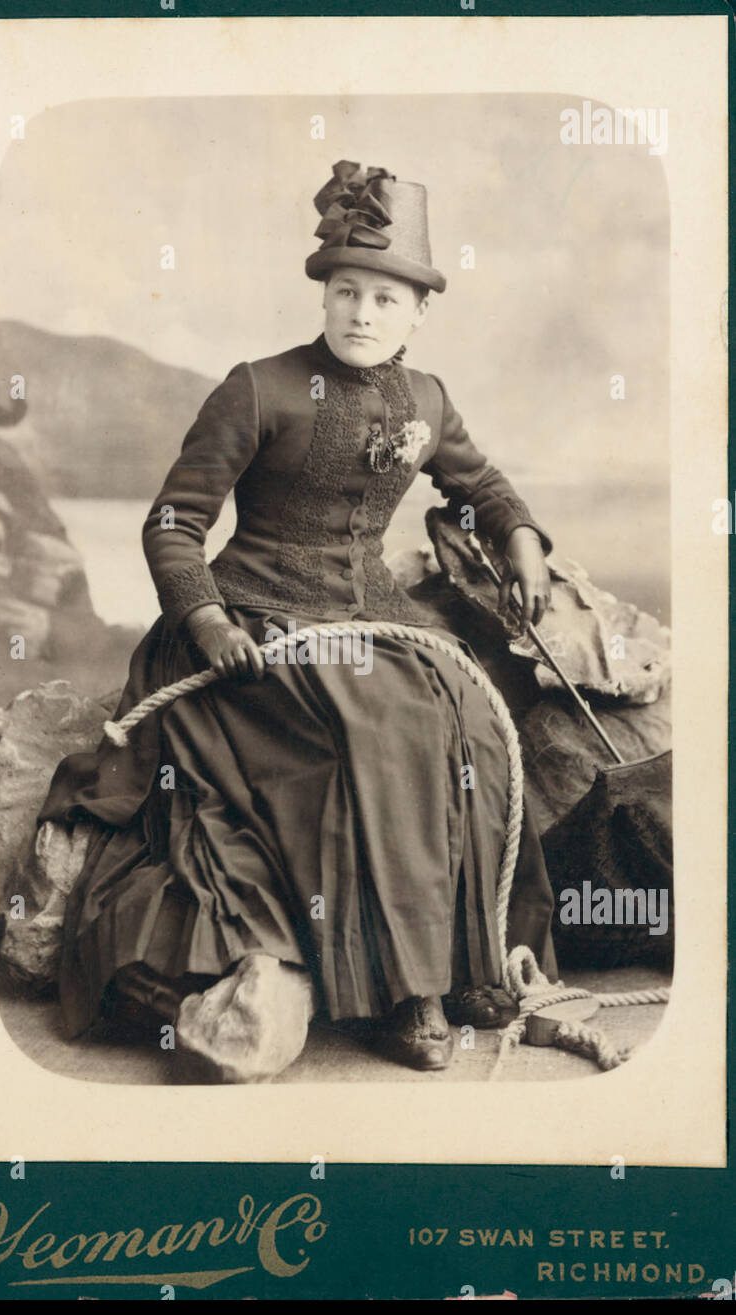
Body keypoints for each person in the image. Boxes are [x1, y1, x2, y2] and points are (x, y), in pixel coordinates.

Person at [38, 160, 558, 1080]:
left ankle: (474, 959)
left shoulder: (427, 400)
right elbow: (174, 522)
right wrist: (204, 622)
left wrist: (519, 536)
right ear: (324, 296)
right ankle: (403, 994)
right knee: (378, 729)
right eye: (347, 292)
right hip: (252, 621)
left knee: (472, 721)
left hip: (377, 615)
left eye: (386, 299)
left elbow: (476, 484)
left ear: (418, 313)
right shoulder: (258, 389)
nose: (362, 314)